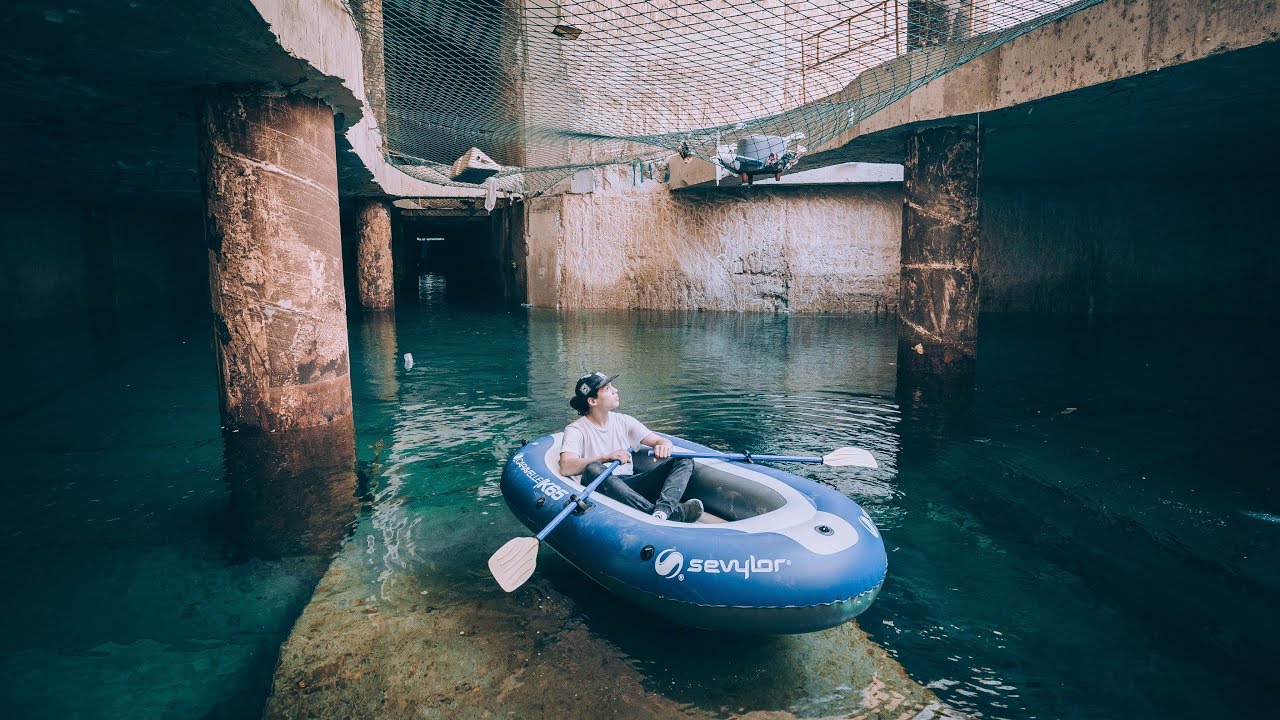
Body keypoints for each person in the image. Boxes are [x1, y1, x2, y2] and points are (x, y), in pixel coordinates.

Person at [558, 372, 703, 523]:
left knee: (684, 459)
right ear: (593, 400)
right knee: (593, 469)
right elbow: (566, 466)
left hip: (631, 485)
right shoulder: (576, 430)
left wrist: (663, 445)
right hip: (600, 488)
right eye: (607, 389)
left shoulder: (624, 421)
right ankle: (660, 515)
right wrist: (606, 457)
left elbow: (659, 440)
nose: (615, 390)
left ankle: (663, 511)